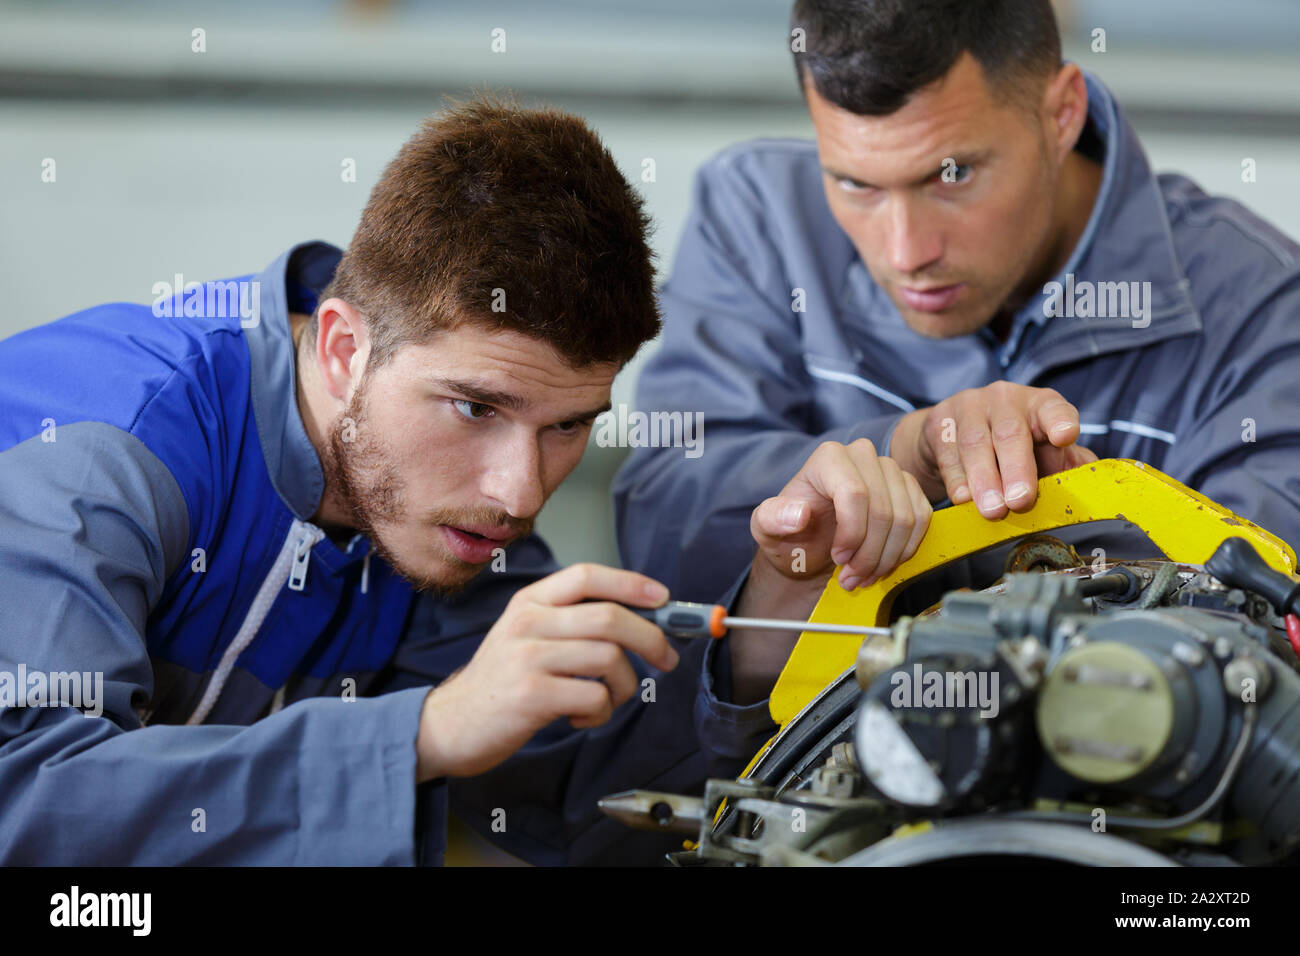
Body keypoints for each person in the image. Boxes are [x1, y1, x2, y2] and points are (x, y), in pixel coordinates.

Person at [0, 95, 929, 865]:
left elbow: (585, 795)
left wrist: (780, 605)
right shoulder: (107, 447)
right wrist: (425, 734)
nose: (520, 492)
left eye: (568, 427)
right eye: (475, 408)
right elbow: (29, 802)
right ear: (341, 348)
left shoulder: (432, 523)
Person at [614, 0, 1300, 606]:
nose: (906, 250)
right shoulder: (761, 217)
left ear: (1062, 113)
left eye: (953, 176)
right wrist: (906, 452)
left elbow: (1262, 612)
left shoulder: (1262, 307)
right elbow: (663, 536)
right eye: (855, 184)